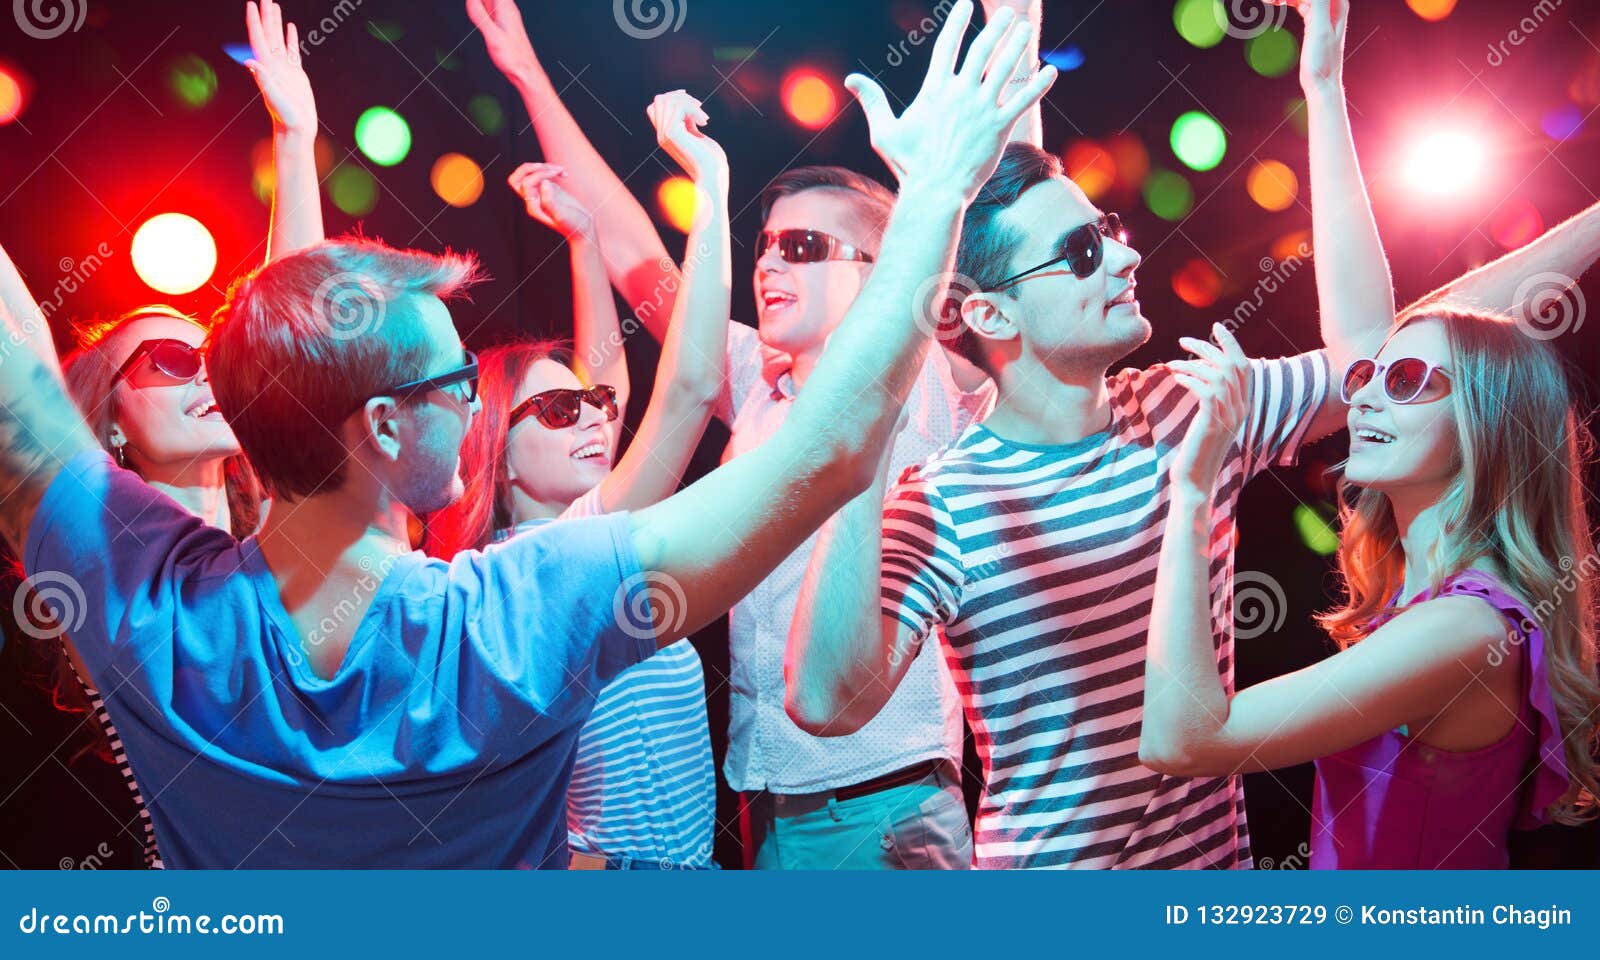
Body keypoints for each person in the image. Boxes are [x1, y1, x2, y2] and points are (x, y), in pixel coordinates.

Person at [7, 0, 1054, 867]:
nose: (479, 400)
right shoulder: (514, 611)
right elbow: (829, 453)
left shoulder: (144, 596)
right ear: (379, 426)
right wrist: (940, 198)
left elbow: (23, 381)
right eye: (456, 378)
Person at [782, 0, 1600, 868]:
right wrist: (860, 442)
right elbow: (827, 703)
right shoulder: (942, 502)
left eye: (1109, 233)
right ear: (987, 311)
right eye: (1083, 253)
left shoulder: (1186, 409)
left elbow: (1385, 352)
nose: (1127, 257)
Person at [467, 0, 1042, 869]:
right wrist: (531, 78)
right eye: (768, 245)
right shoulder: (759, 382)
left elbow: (1021, 234)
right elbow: (636, 259)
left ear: (882, 269)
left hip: (885, 808)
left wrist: (1015, 37)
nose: (770, 263)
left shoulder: (925, 372)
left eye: (805, 245)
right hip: (764, 809)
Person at [2, 0, 319, 869]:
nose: (209, 373)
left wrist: (296, 141)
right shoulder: (83, 547)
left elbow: (295, 333)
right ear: (104, 415)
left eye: (215, 357)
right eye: (172, 359)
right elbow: (17, 344)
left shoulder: (288, 537)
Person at [1140, 306, 1600, 868]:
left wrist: (1192, 490)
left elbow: (1181, 743)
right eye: (1364, 375)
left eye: (1404, 379)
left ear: (1489, 418)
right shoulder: (1423, 604)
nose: (1360, 399)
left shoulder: (1463, 628)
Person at [426, 90, 732, 869]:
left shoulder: (554, 550)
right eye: (561, 411)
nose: (597, 417)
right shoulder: (549, 558)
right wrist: (712, 191)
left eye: (595, 407)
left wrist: (586, 239)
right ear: (491, 443)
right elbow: (689, 389)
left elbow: (610, 381)